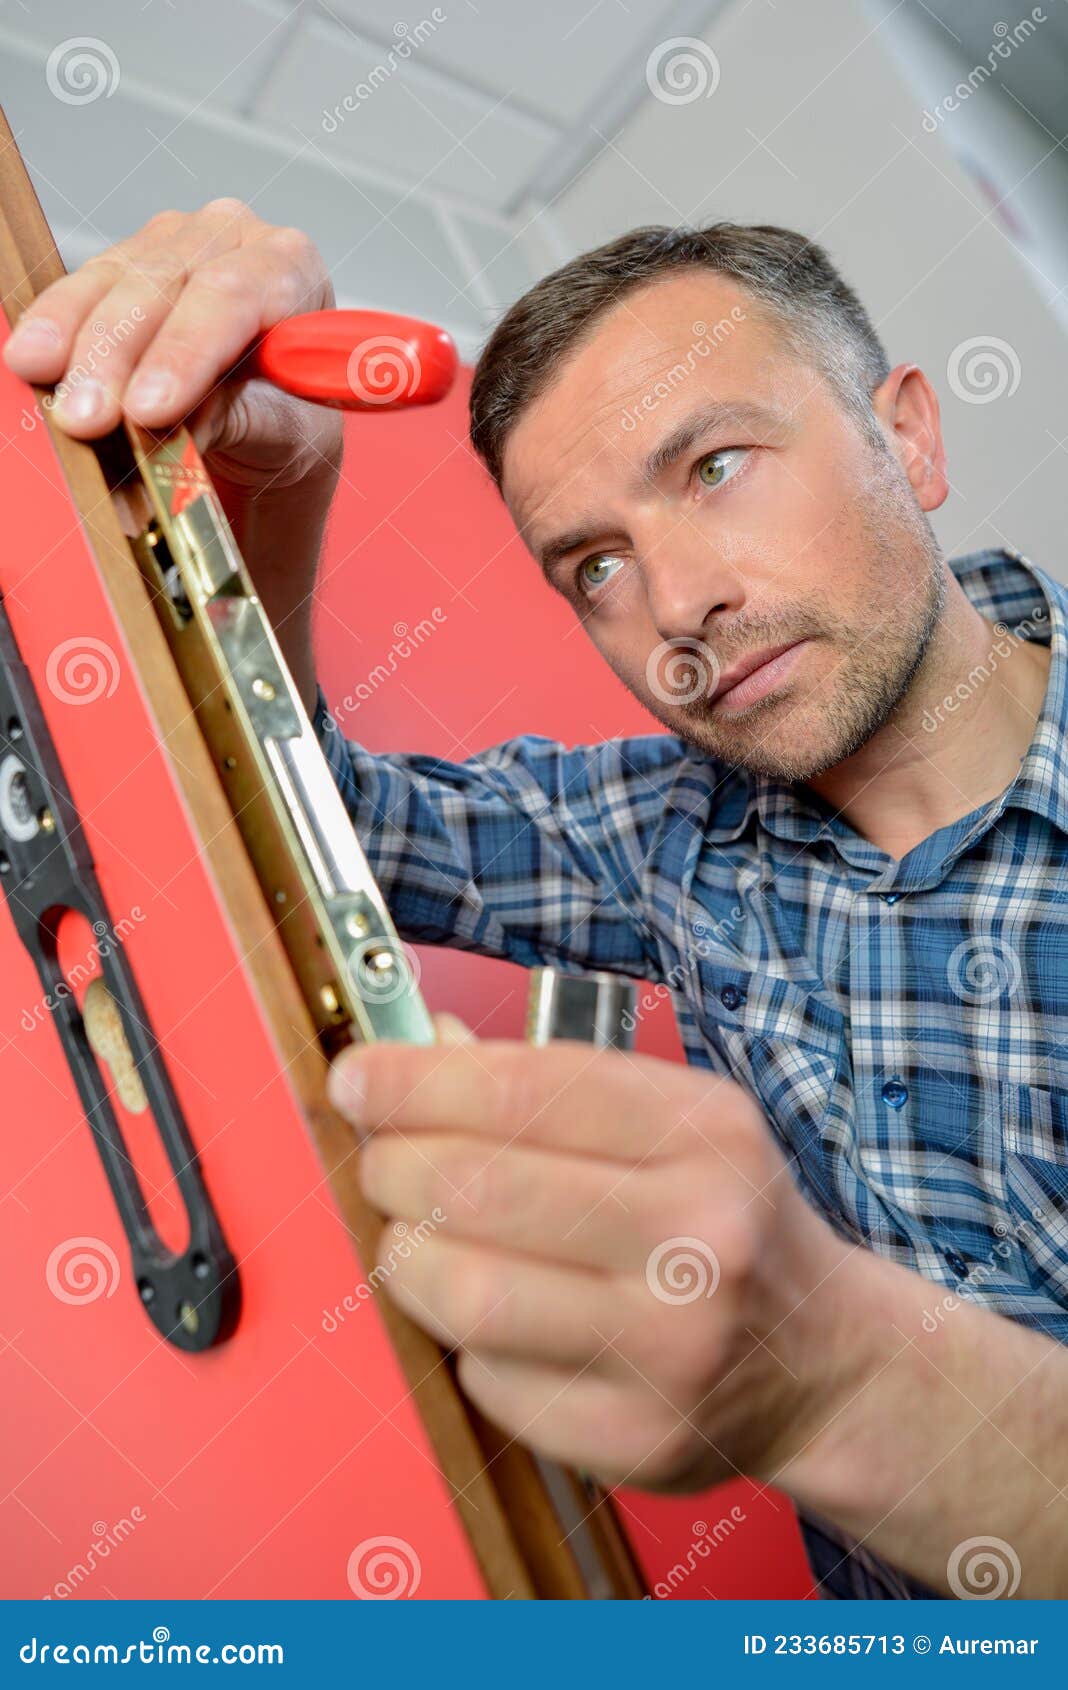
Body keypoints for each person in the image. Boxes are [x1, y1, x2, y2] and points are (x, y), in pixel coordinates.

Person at [7, 201, 1066, 1602]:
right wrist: (277, 497)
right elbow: (317, 820)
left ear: (910, 437)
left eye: (717, 465)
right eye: (598, 567)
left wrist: (834, 1375)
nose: (677, 601)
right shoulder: (668, 831)